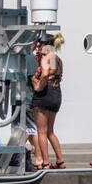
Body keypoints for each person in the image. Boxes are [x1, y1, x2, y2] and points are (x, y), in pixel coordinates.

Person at [29, 34, 66, 170]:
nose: (38, 47)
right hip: (56, 93)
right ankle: (60, 161)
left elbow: (45, 73)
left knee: (41, 131)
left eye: (40, 45)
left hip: (45, 93)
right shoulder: (58, 59)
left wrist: (39, 85)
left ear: (45, 45)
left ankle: (45, 162)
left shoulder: (46, 57)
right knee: (50, 131)